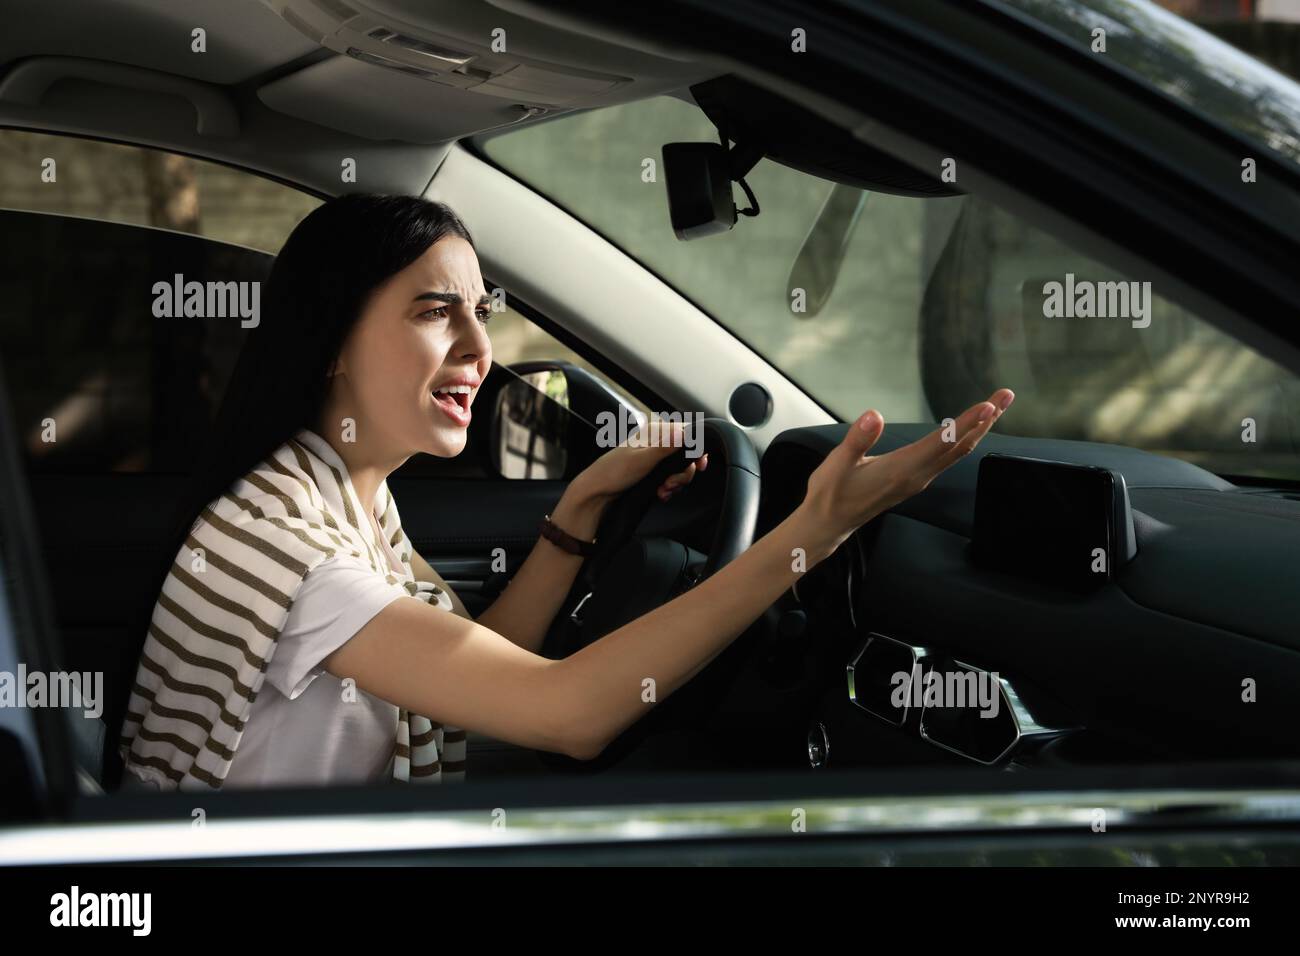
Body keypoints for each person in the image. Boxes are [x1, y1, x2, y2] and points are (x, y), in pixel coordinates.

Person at [119, 193, 1014, 791]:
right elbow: (570, 715)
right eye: (437, 311)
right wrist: (811, 534)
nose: (481, 348)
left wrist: (578, 512)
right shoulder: (284, 540)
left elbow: (466, 675)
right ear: (332, 343)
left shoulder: (345, 495)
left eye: (481, 310)